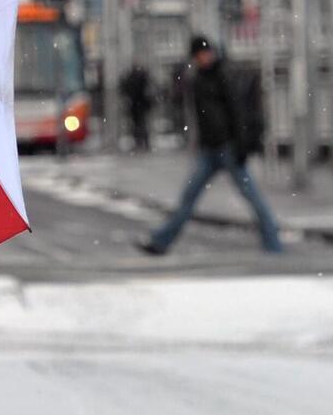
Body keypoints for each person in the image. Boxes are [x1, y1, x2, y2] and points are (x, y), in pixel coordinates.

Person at [138, 35, 284, 255]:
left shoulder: (223, 76)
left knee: (251, 196)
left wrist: (241, 145)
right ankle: (161, 241)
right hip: (210, 150)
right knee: (189, 198)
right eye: (199, 55)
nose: (203, 58)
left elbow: (237, 113)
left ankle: (273, 243)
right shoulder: (198, 79)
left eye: (205, 54)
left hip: (228, 148)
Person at [120, 64, 156, 152]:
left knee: (138, 124)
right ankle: (143, 142)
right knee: (141, 124)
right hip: (139, 104)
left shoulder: (133, 78)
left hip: (137, 104)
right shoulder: (142, 78)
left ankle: (140, 142)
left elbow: (126, 89)